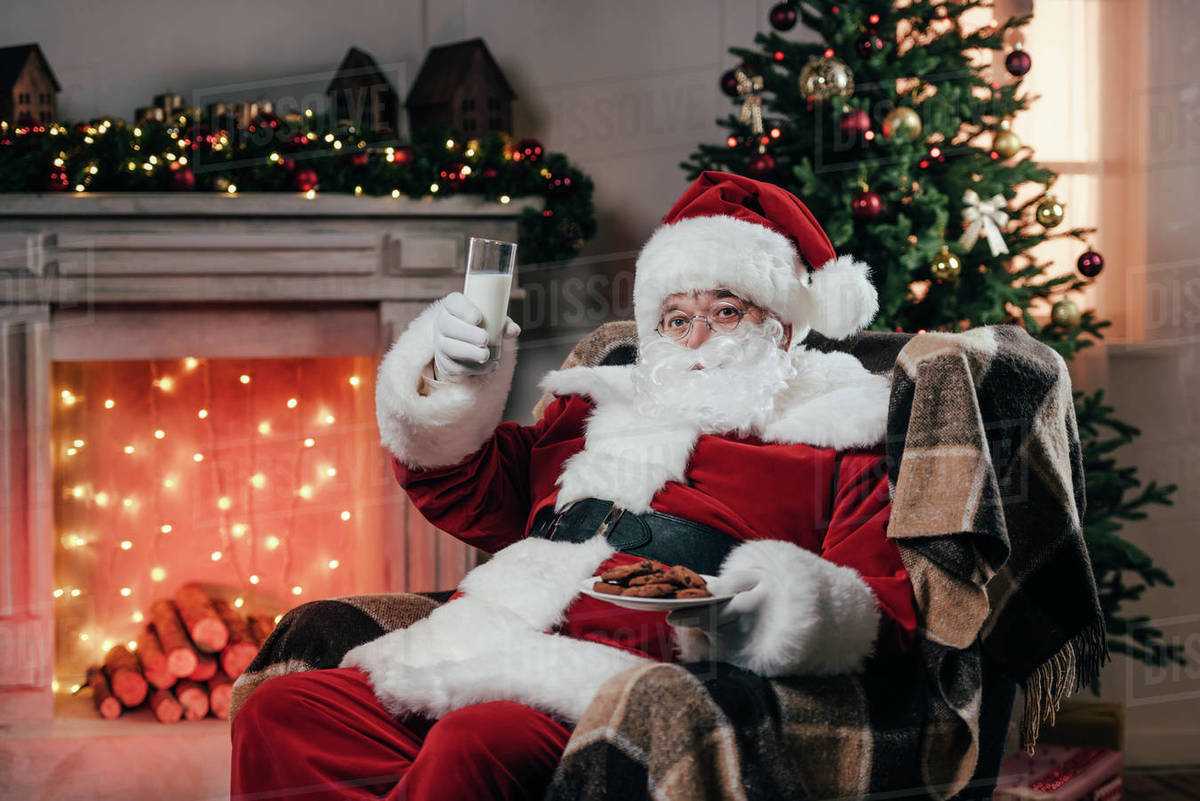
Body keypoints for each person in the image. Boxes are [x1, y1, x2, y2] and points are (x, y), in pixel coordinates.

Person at [230, 170, 919, 801]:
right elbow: (466, 490)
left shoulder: (837, 434)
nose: (698, 338)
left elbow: (882, 614)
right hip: (483, 636)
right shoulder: (596, 406)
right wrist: (450, 381)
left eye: (727, 311)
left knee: (476, 742)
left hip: (623, 683)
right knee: (282, 713)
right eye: (676, 318)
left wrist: (764, 610)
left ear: (785, 324)